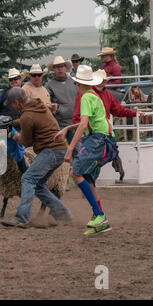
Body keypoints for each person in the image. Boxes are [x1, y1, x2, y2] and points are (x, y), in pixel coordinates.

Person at [55, 65, 114, 235]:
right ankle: (100, 218)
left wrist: (70, 148)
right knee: (87, 179)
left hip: (95, 139)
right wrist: (67, 129)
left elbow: (83, 124)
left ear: (78, 84)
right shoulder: (94, 96)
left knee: (76, 173)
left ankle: (99, 215)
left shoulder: (86, 98)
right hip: (101, 138)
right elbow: (87, 122)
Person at [0, 87, 71, 228]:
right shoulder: (37, 105)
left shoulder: (28, 115)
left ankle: (22, 218)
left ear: (18, 102)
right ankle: (62, 213)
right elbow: (28, 119)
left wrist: (13, 135)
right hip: (59, 149)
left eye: (13, 104)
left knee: (28, 178)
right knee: (37, 184)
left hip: (51, 151)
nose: (12, 107)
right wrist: (12, 123)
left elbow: (26, 142)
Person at [0, 68, 27, 173]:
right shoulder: (3, 95)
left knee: (24, 153)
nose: (14, 81)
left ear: (20, 80)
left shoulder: (26, 93)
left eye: (16, 78)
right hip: (7, 129)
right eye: (11, 79)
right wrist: (1, 121)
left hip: (23, 127)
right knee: (14, 153)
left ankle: (26, 174)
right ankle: (24, 173)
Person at [45, 56, 78, 144]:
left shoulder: (74, 81)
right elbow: (47, 103)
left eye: (62, 66)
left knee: (77, 150)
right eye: (57, 67)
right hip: (59, 124)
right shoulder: (49, 85)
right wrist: (55, 108)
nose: (60, 69)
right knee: (61, 150)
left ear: (65, 67)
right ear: (54, 69)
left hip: (75, 122)